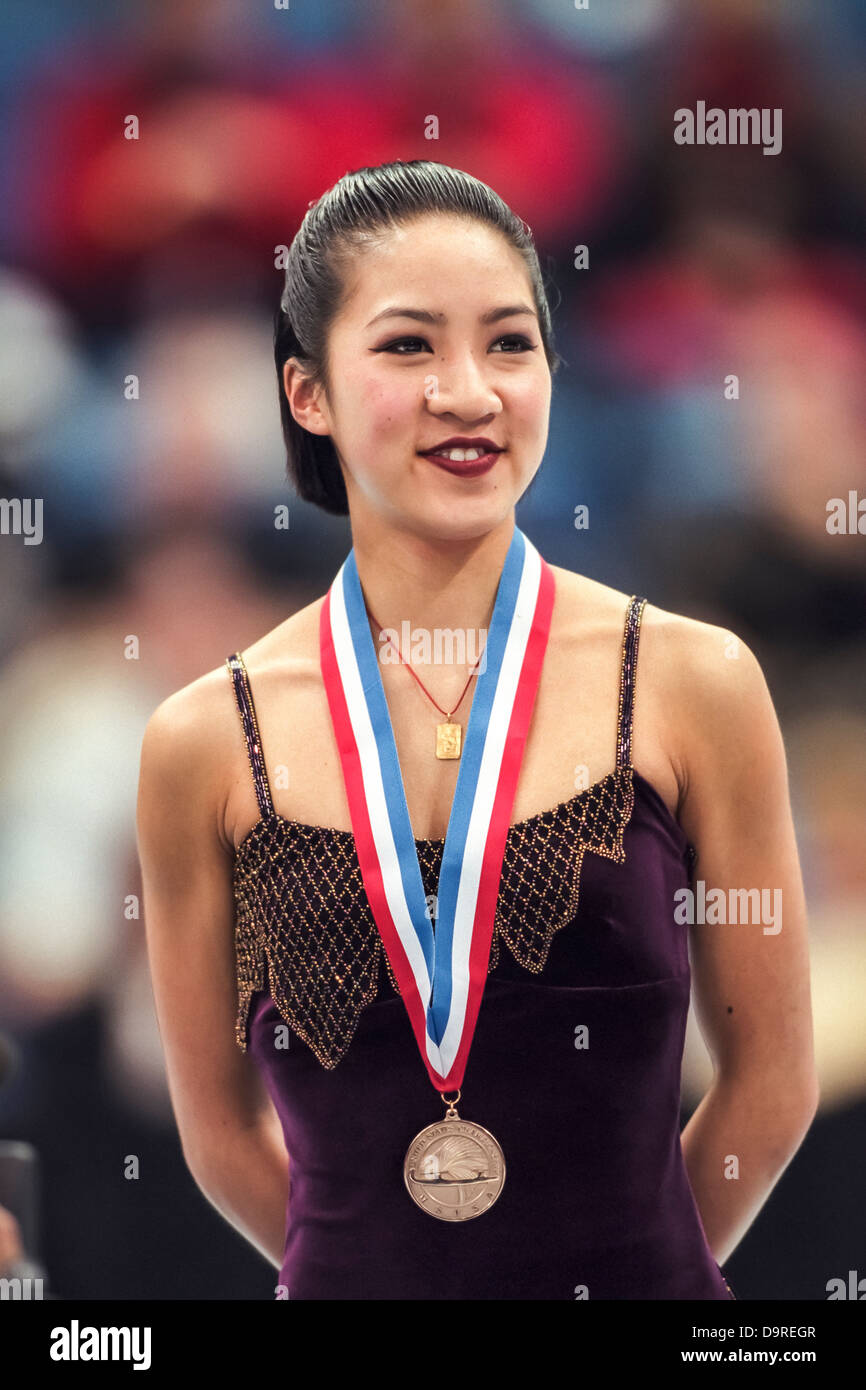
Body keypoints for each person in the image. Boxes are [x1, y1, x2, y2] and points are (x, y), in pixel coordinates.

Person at [136, 159, 818, 1300]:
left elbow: (770, 1086)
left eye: (508, 343)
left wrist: (629, 1270)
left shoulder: (693, 681)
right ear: (307, 392)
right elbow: (219, 1138)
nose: (469, 392)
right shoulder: (206, 739)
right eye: (408, 347)